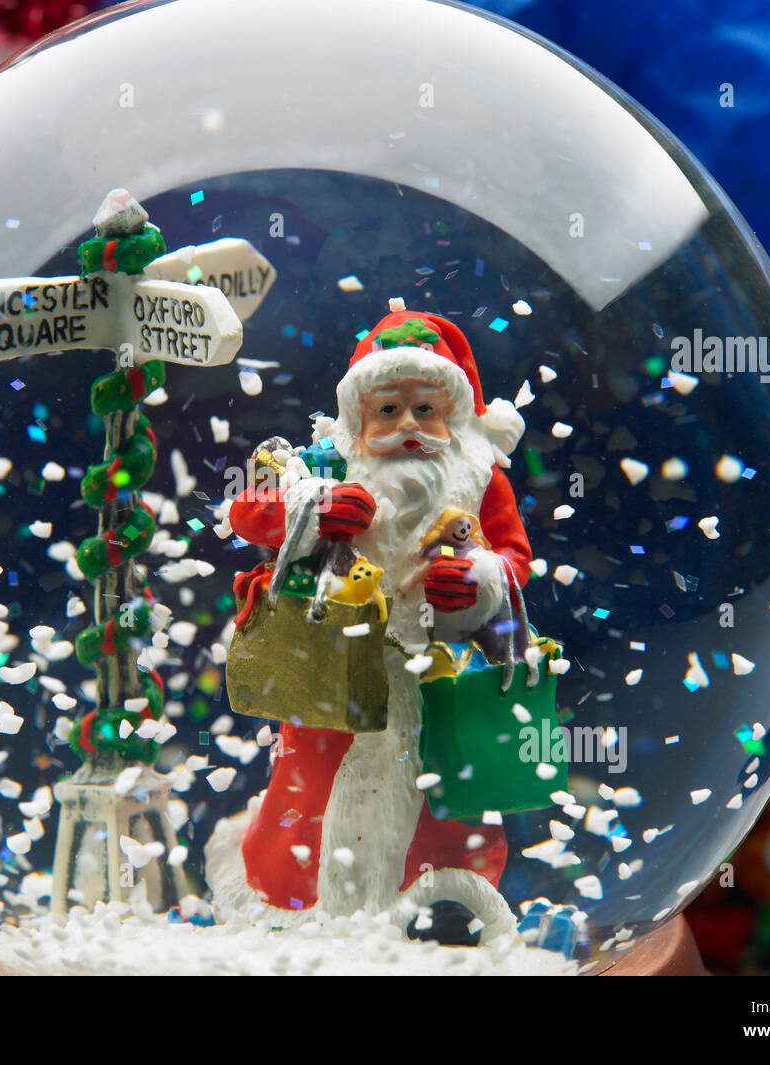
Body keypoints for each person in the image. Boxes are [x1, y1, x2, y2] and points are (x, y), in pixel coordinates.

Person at [207, 299, 532, 943]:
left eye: (425, 409)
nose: (407, 425)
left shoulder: (479, 477)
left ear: (453, 414)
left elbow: (514, 557)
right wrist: (312, 510)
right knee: (315, 784)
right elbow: (246, 512)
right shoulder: (330, 461)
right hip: (337, 657)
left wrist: (479, 580)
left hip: (444, 669)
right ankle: (297, 903)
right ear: (360, 415)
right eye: (389, 409)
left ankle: (439, 903)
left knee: (442, 795)